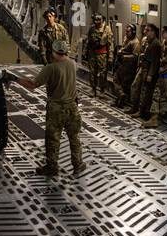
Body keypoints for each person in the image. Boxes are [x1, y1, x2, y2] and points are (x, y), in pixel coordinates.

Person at [32, 38, 85, 178]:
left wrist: (14, 79)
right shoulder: (73, 64)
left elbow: (33, 84)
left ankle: (52, 167)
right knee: (74, 137)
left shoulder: (51, 67)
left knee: (53, 139)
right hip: (72, 107)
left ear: (53, 51)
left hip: (56, 109)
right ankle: (78, 164)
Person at [144, 26, 167, 128]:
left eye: (164, 32)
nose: (162, 33)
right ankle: (154, 118)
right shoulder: (163, 44)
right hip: (162, 74)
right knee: (156, 95)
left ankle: (161, 117)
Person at [129, 23, 159, 115]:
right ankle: (134, 107)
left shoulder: (156, 44)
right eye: (145, 30)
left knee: (144, 91)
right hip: (142, 67)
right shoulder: (145, 40)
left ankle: (141, 111)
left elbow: (155, 61)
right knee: (135, 87)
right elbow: (141, 54)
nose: (145, 32)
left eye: (148, 30)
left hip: (148, 69)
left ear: (153, 32)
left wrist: (150, 74)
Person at [84, 14, 111, 97]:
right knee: (92, 72)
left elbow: (110, 43)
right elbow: (88, 41)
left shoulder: (106, 29)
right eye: (95, 19)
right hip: (92, 53)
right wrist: (85, 51)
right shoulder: (92, 29)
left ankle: (102, 90)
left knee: (103, 73)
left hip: (102, 54)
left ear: (102, 20)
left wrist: (110, 57)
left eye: (99, 19)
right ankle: (93, 89)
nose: (97, 21)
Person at [114, 25, 139, 108]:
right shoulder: (126, 38)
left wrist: (125, 56)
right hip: (121, 64)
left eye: (128, 32)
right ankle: (120, 96)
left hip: (128, 66)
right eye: (126, 31)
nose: (126, 33)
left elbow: (135, 56)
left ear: (133, 32)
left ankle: (121, 99)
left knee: (124, 84)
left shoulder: (135, 42)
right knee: (117, 81)